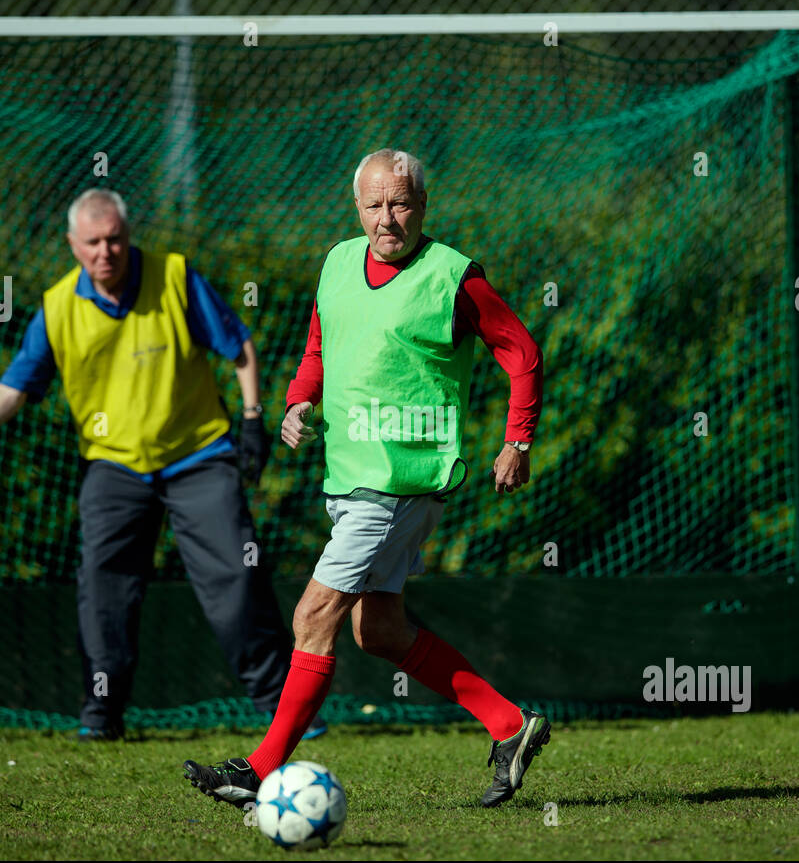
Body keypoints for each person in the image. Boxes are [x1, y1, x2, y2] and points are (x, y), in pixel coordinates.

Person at [183, 149, 547, 808]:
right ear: (358, 208)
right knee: (376, 630)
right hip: (353, 479)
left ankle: (260, 771)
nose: (388, 218)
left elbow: (521, 351)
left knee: (312, 613)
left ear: (422, 207)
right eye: (376, 204)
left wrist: (517, 438)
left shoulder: (453, 277)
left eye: (401, 203)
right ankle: (509, 725)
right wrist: (298, 399)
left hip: (402, 480)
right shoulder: (337, 263)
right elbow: (322, 346)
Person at [0, 188, 322, 741]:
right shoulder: (58, 307)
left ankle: (282, 709)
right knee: (103, 587)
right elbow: (14, 388)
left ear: (128, 237)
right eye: (93, 243)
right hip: (115, 467)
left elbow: (239, 345)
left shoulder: (174, 276)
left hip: (198, 454)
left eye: (115, 239)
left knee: (235, 575)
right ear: (72, 246)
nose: (106, 252)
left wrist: (251, 418)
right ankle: (102, 713)